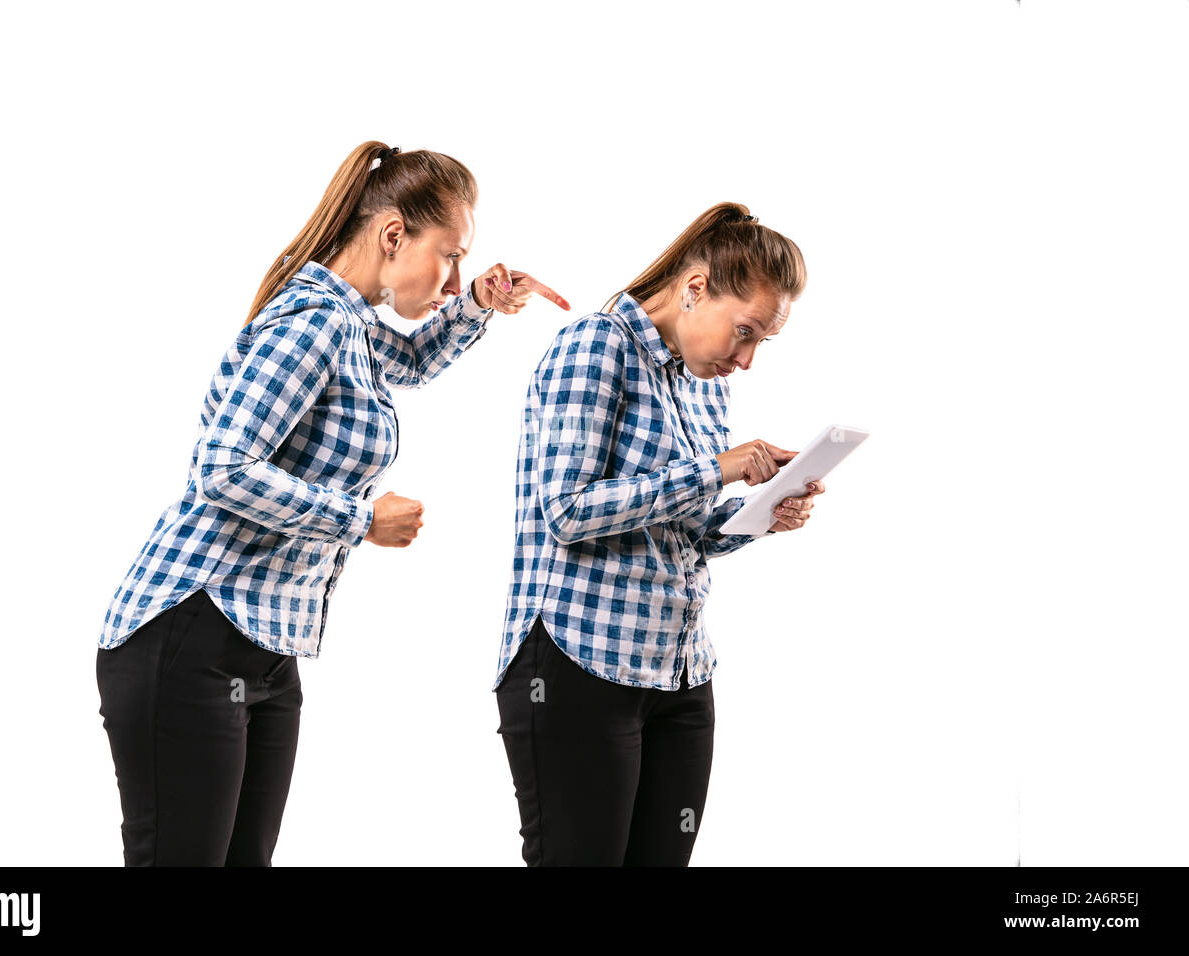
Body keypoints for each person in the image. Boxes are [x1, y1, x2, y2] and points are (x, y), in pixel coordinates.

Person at [96, 141, 568, 866]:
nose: (453, 278)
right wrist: (361, 521)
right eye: (449, 257)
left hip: (262, 646)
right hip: (191, 630)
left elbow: (407, 361)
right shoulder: (313, 321)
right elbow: (224, 468)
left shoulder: (348, 322)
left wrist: (477, 306)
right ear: (392, 236)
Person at [493, 202, 825, 866]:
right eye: (745, 331)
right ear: (695, 287)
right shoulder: (594, 346)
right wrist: (716, 467)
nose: (749, 358)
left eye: (762, 341)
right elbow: (566, 510)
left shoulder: (705, 381)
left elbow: (686, 530)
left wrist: (761, 515)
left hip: (678, 673)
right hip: (578, 666)